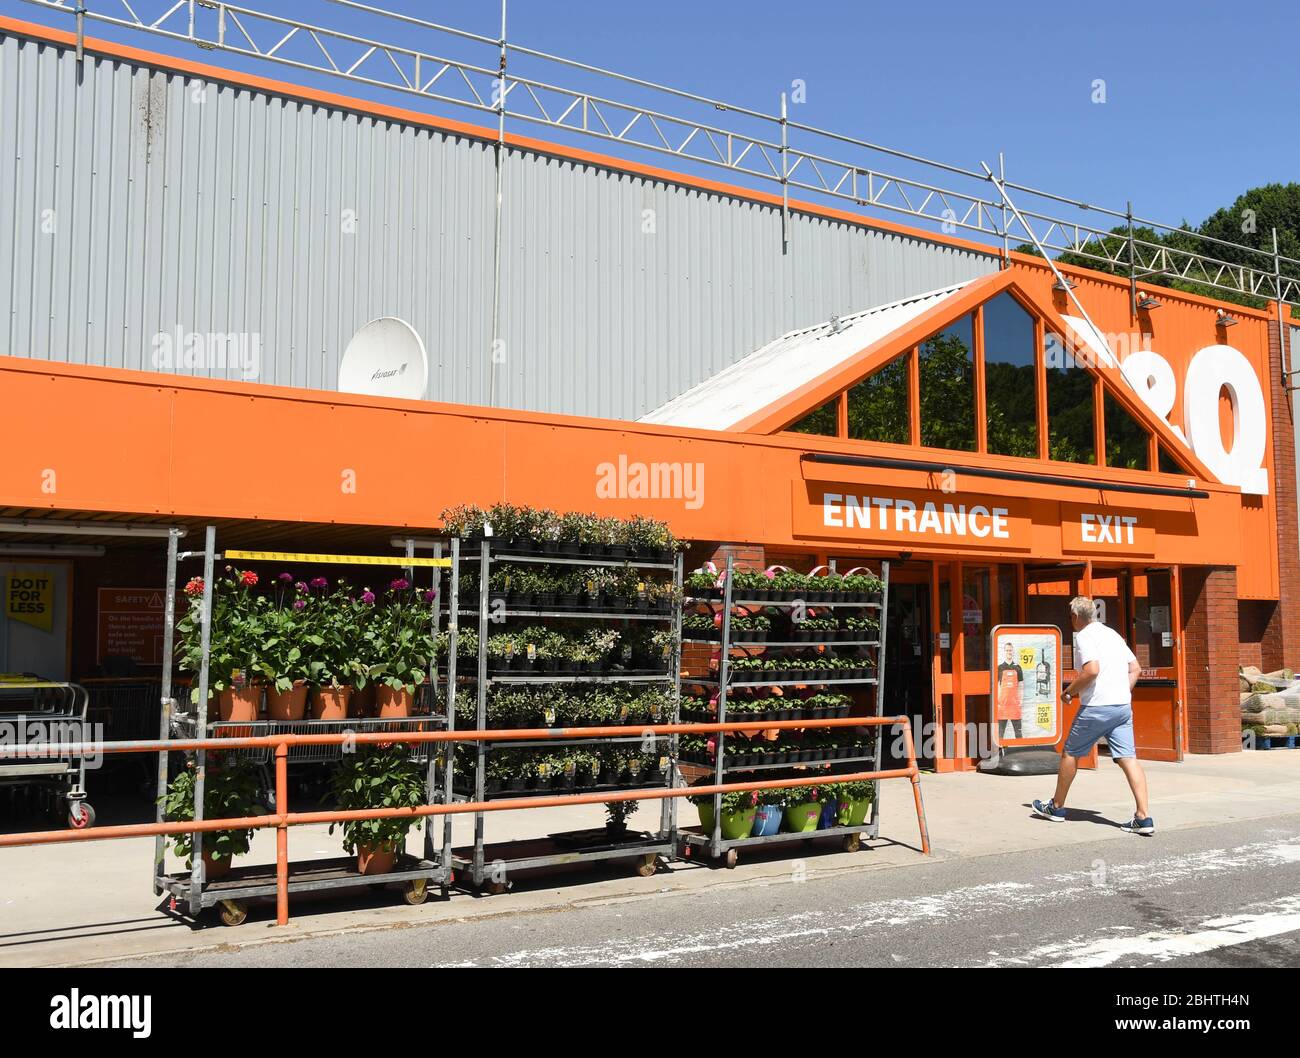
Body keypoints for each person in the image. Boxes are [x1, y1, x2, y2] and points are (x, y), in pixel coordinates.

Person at [1032, 596, 1154, 835]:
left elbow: (1092, 670)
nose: (1070, 620)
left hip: (1097, 708)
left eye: (1070, 617)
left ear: (1076, 617)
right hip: (1121, 706)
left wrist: (1069, 691)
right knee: (1128, 758)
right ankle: (1143, 817)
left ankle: (1055, 807)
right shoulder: (1113, 635)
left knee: (1070, 753)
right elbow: (1136, 668)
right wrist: (1121, 690)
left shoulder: (1085, 636)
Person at [995, 640, 1024, 740]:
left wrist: (1021, 701)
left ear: (1013, 652)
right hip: (1003, 705)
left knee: (1018, 733)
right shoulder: (999, 668)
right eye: (1007, 650)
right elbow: (996, 686)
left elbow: (1021, 685)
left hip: (1015, 705)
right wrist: (997, 702)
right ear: (1004, 652)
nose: (1009, 652)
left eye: (1010, 650)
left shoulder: (1018, 668)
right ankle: (998, 753)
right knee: (1000, 734)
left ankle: (1021, 752)